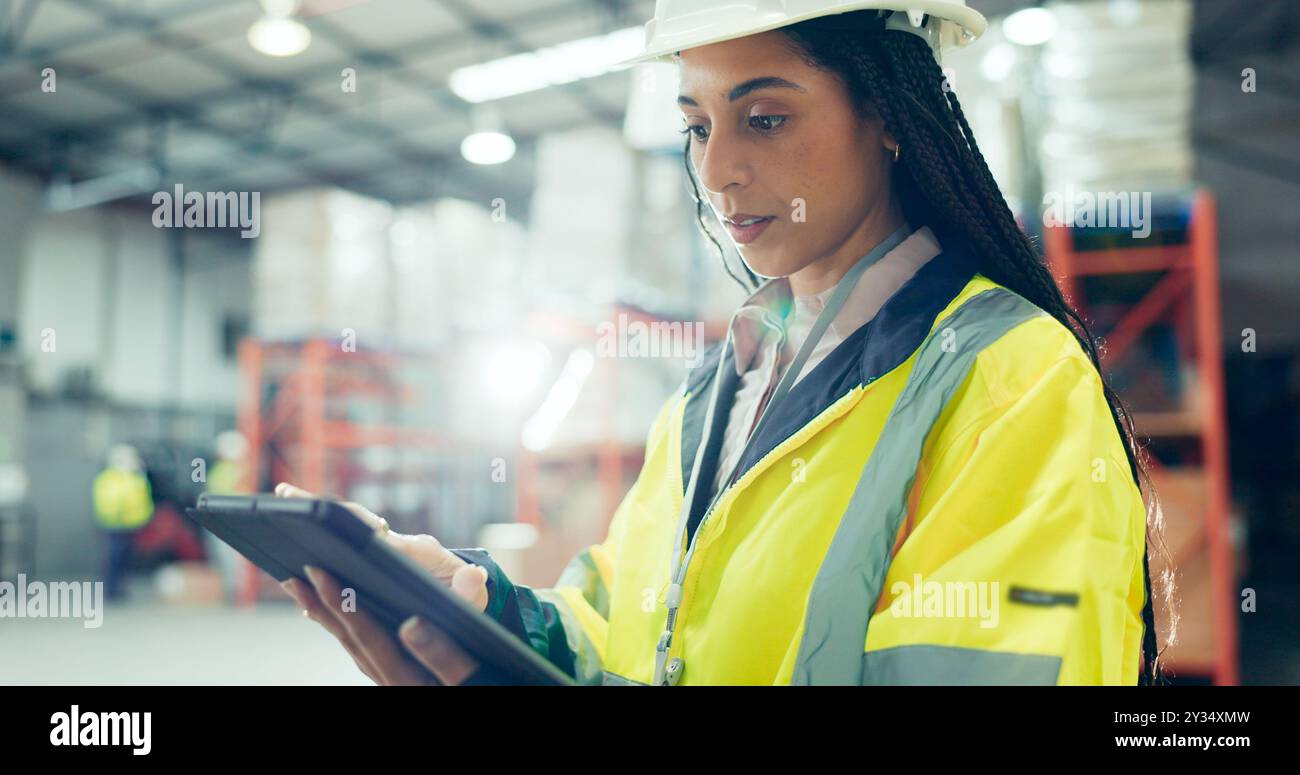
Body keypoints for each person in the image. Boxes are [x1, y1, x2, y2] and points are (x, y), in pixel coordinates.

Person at [281, 1, 1165, 686]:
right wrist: (484, 610)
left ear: (890, 114)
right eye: (697, 126)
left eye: (765, 118)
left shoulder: (1013, 379)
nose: (716, 170)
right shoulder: (722, 386)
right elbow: (622, 626)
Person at [92, 444, 154, 601]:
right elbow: (110, 502)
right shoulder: (111, 478)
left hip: (130, 525)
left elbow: (141, 500)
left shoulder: (135, 478)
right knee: (114, 559)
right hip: (114, 526)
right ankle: (111, 590)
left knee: (124, 559)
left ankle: (118, 589)